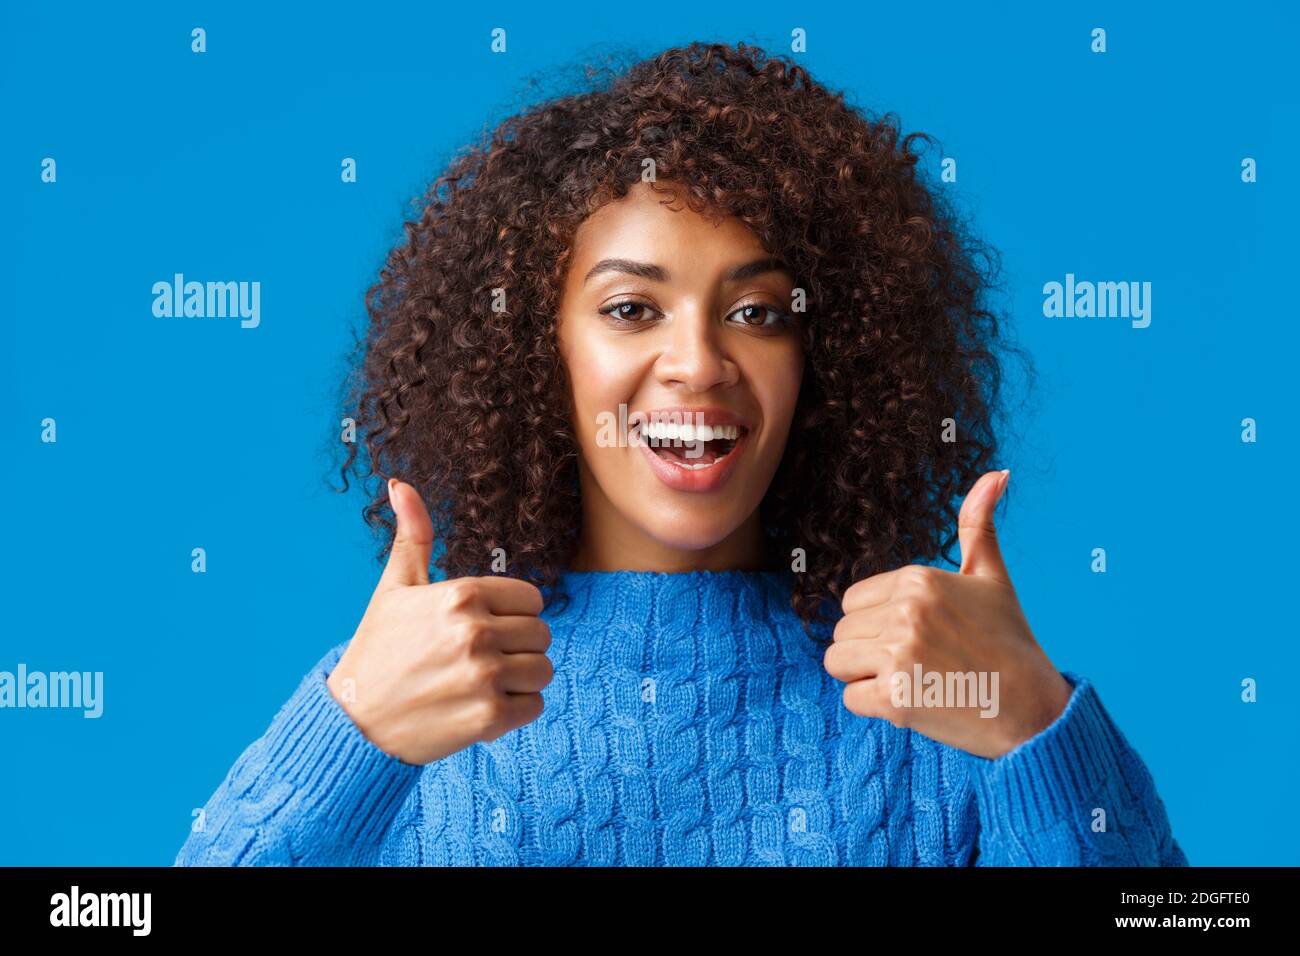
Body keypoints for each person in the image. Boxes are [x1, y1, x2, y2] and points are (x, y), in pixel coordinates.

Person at [175, 41, 1186, 866]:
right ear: (538, 350)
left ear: (823, 360)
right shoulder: (414, 692)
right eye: (629, 308)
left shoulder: (938, 697)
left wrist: (1040, 730)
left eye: (755, 311)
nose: (697, 362)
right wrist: (348, 738)